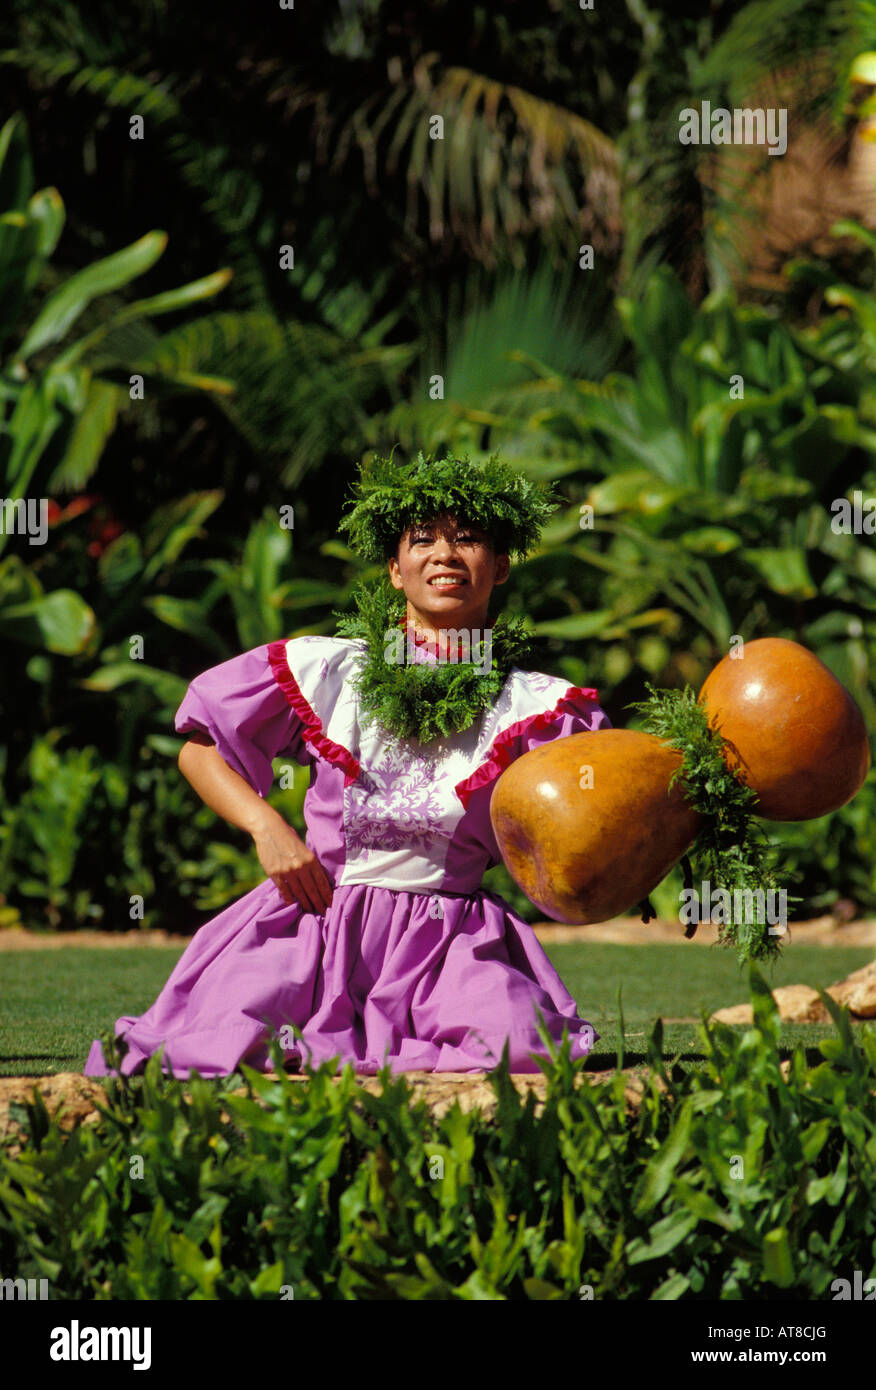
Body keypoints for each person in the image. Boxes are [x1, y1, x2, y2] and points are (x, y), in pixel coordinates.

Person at [84, 451, 610, 1078]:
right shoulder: (329, 671)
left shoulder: (537, 704)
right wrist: (267, 829)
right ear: (395, 570)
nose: (444, 554)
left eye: (467, 540)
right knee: (215, 1039)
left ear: (498, 567)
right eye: (422, 541)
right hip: (314, 921)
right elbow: (200, 752)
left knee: (520, 1047)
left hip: (447, 943)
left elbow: (600, 804)